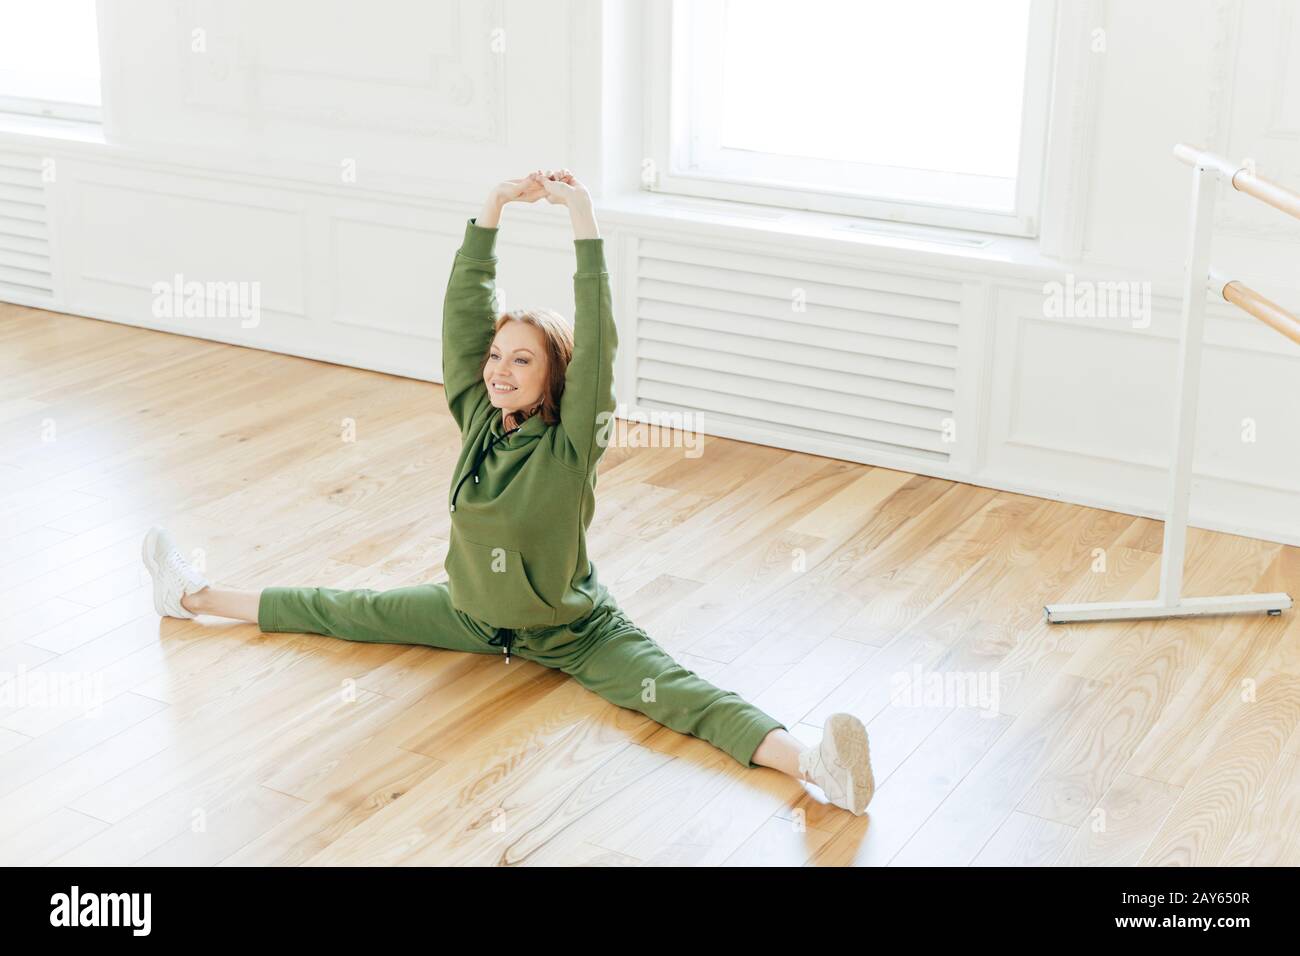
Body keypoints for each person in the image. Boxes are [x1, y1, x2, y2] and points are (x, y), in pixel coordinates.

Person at [141, 169, 875, 815]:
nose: (498, 370)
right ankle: (192, 598)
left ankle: (817, 766)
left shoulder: (570, 443)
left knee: (681, 696)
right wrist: (490, 209)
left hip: (574, 631)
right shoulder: (480, 423)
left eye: (521, 360)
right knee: (341, 609)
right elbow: (463, 318)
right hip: (469, 613)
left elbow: (600, 333)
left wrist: (581, 219)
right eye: (496, 356)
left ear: (556, 376)